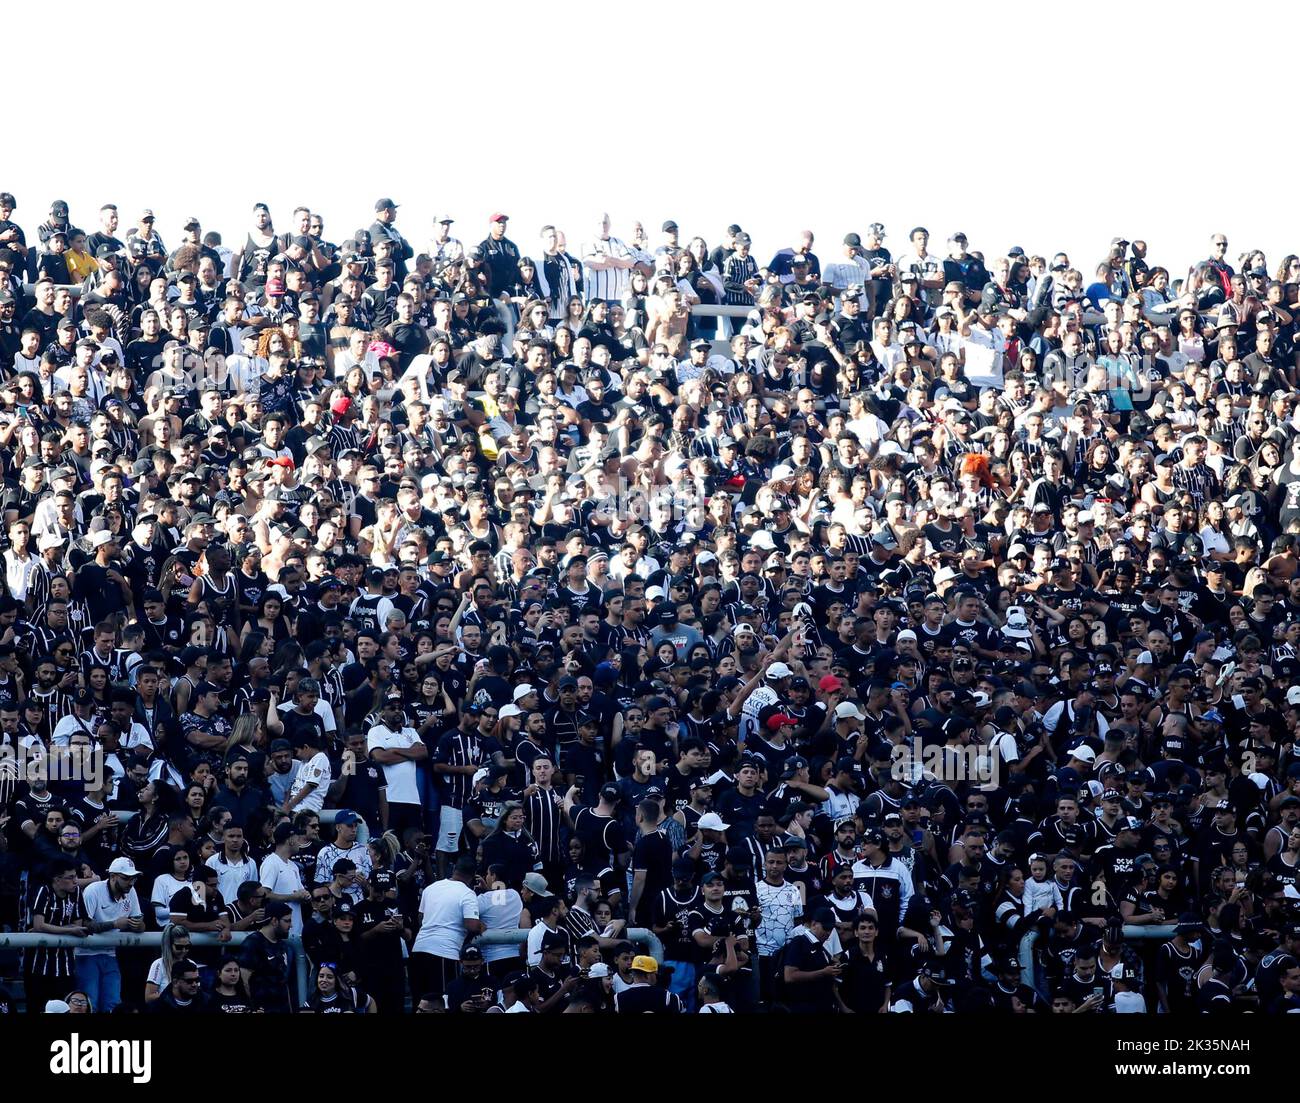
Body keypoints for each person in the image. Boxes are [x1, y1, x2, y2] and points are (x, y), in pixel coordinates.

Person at [410, 855, 484, 1001]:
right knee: (443, 1001)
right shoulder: (467, 893)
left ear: (454, 869)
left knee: (420, 1003)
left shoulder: (431, 888)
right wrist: (481, 924)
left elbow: (420, 918)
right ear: (472, 875)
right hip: (444, 953)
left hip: (418, 949)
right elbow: (472, 925)